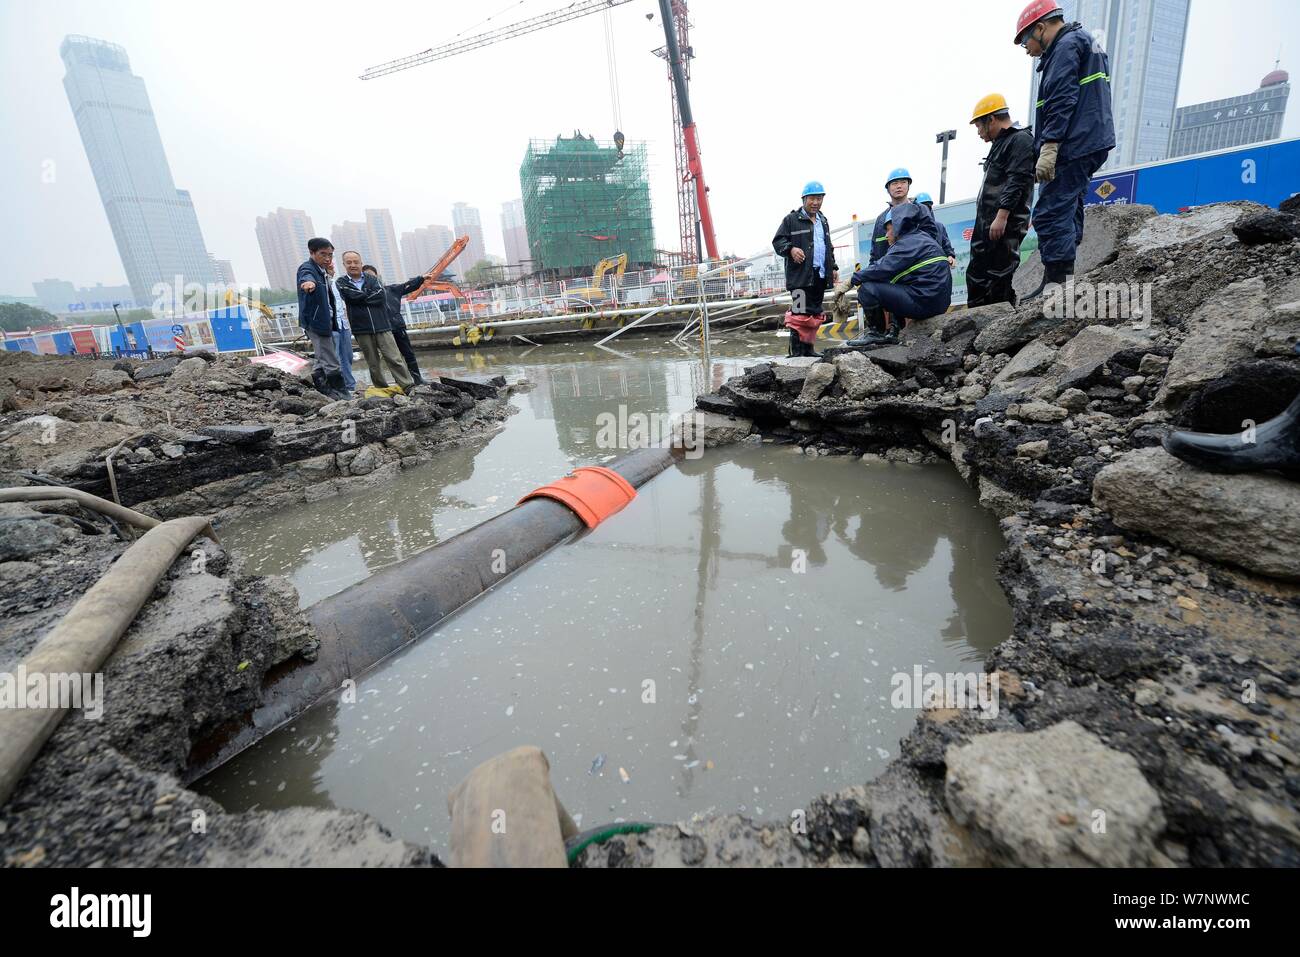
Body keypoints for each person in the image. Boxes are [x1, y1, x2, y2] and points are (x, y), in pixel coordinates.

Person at [1016, 0, 1115, 294]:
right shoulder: (1083, 42)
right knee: (1068, 206)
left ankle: (1057, 284)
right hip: (1088, 138)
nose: (1025, 48)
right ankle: (1062, 279)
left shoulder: (1065, 47)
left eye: (1024, 40)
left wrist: (1050, 146)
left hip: (1074, 143)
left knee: (1050, 211)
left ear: (1041, 28)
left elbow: (1061, 100)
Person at [844, 203, 952, 348]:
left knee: (868, 289)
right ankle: (895, 332)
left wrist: (852, 279)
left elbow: (881, 268)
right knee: (894, 284)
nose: (886, 235)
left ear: (898, 225)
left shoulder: (906, 243)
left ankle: (877, 333)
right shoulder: (922, 238)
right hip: (937, 300)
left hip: (925, 302)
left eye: (888, 230)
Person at [966, 93, 1036, 306]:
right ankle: (976, 324)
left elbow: (1018, 180)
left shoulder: (1020, 139)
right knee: (977, 273)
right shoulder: (1000, 143)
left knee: (999, 272)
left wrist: (1002, 215)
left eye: (979, 126)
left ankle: (998, 319)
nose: (978, 132)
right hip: (987, 221)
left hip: (1004, 221)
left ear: (992, 119)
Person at [772, 181, 838, 357]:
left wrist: (834, 266)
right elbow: (778, 242)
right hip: (799, 278)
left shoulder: (823, 221)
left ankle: (808, 350)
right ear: (804, 199)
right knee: (799, 314)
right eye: (812, 199)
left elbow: (828, 246)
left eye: (819, 198)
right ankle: (796, 352)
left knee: (814, 313)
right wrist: (791, 250)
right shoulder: (791, 220)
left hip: (819, 276)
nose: (816, 202)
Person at [336, 251, 414, 392]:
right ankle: (381, 388)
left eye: (355, 262)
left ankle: (407, 385)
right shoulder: (341, 282)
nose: (352, 265)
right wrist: (367, 295)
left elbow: (380, 296)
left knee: (394, 358)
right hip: (362, 329)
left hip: (382, 326)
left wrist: (360, 297)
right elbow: (350, 296)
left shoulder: (373, 279)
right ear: (344, 264)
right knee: (373, 363)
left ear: (361, 263)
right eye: (349, 262)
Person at [296, 238, 349, 399]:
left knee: (321, 356)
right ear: (312, 253)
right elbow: (306, 277)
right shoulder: (308, 268)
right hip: (317, 321)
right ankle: (341, 393)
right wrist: (308, 283)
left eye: (330, 255)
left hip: (326, 320)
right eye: (323, 254)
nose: (327, 258)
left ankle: (323, 389)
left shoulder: (322, 270)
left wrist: (329, 275)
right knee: (330, 359)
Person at [362, 264, 426, 385]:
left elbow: (408, 285)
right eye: (366, 276)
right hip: (381, 330)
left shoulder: (391, 289)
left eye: (372, 275)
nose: (370, 278)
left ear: (377, 276)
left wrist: (421, 278)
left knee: (408, 353)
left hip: (397, 327)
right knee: (391, 357)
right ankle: (400, 381)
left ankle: (417, 378)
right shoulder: (365, 295)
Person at [869, 168, 914, 266]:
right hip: (887, 276)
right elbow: (874, 253)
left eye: (903, 182)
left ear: (908, 185)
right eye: (894, 183)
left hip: (914, 276)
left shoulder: (918, 211)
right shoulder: (881, 219)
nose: (899, 186)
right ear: (888, 188)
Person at [326, 261, 357, 393]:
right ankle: (338, 388)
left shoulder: (337, 284)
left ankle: (350, 385)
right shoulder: (322, 285)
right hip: (332, 326)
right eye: (329, 268)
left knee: (348, 356)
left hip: (344, 324)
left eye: (332, 268)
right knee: (335, 357)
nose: (332, 270)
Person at [914, 193, 956, 264]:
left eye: (928, 206)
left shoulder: (939, 226)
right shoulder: (913, 228)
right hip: (921, 267)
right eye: (922, 207)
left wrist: (950, 256)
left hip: (939, 267)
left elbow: (946, 245)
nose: (925, 210)